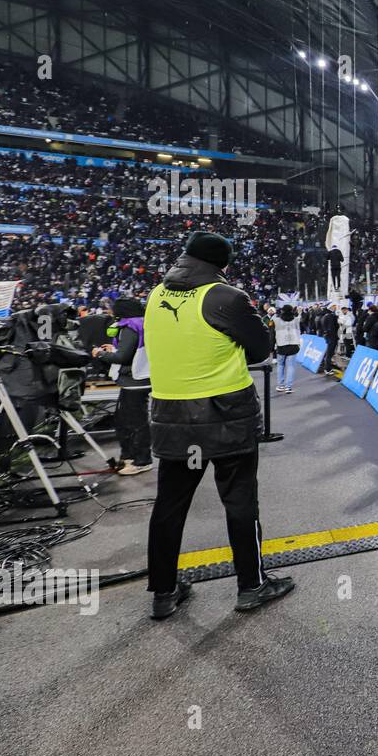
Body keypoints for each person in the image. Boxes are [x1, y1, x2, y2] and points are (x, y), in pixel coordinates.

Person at [143, 231, 293, 620]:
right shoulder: (226, 297)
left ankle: (163, 592)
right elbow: (260, 349)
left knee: (169, 507)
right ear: (222, 266)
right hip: (226, 417)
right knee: (240, 502)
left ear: (186, 256)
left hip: (173, 419)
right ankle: (251, 585)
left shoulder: (156, 295)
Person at [92, 298, 152, 474]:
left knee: (134, 422)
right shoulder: (141, 323)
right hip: (140, 378)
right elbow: (132, 351)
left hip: (134, 381)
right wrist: (113, 349)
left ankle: (141, 460)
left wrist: (100, 354)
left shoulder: (129, 326)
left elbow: (123, 358)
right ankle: (129, 457)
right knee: (124, 420)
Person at [273, 303, 301, 393]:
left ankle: (280, 385)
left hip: (281, 345)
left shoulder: (276, 320)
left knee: (280, 365)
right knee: (291, 366)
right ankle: (288, 387)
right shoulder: (296, 320)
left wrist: (271, 347)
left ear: (282, 311)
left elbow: (272, 334)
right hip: (293, 345)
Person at [319, 303, 339, 375]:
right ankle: (327, 369)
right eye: (334, 306)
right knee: (329, 353)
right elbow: (331, 328)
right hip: (331, 337)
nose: (335, 307)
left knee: (329, 353)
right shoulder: (330, 316)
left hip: (328, 336)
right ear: (331, 307)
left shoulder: (325, 316)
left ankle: (327, 366)